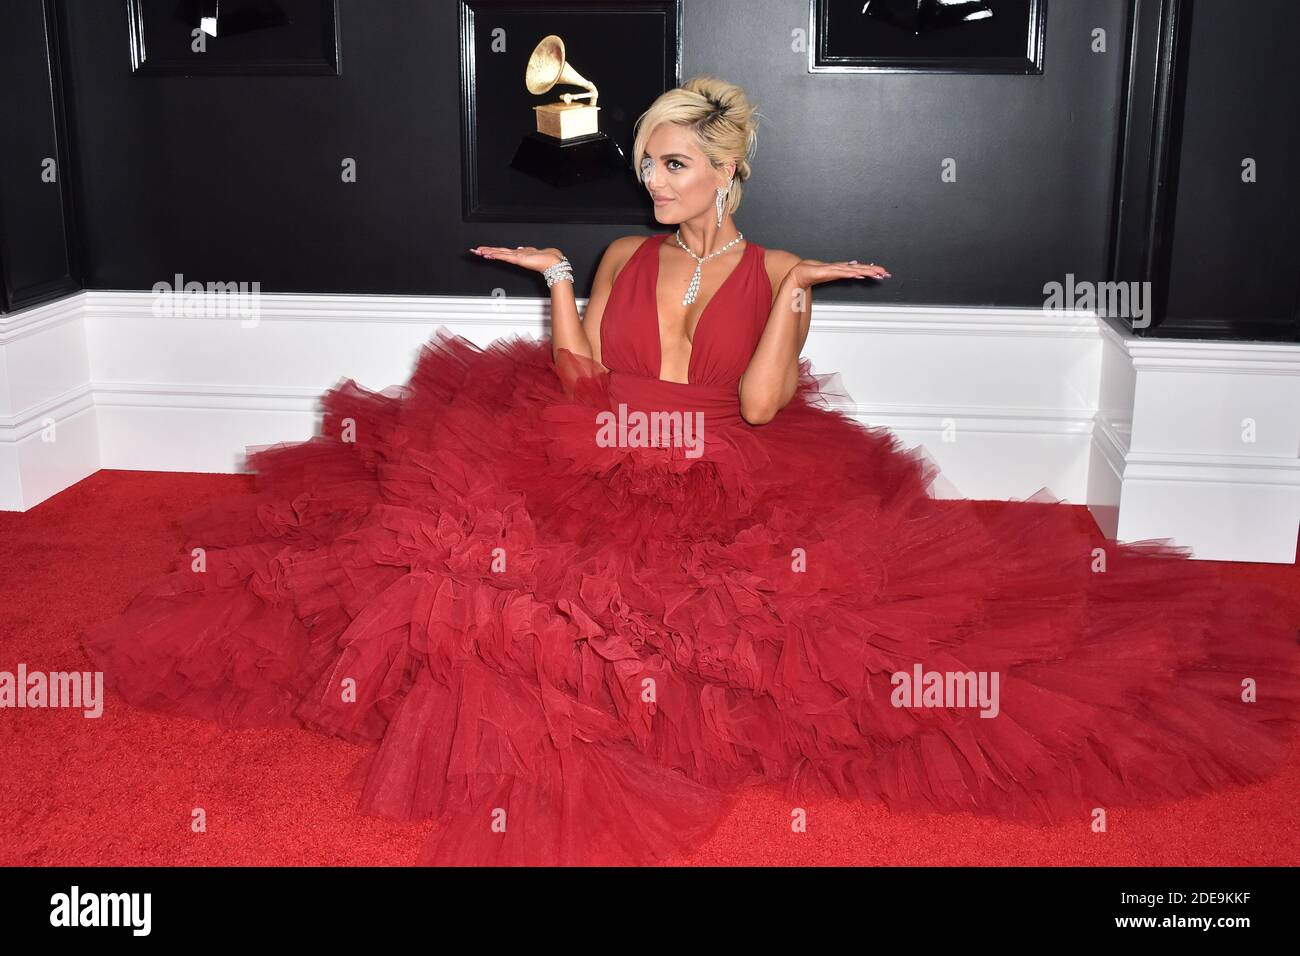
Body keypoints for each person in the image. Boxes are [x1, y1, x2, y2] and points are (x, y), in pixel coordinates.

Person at [82, 75, 1300, 866]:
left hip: (726, 464)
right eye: (647, 164)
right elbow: (570, 381)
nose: (652, 184)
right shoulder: (619, 249)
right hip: (585, 442)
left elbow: (765, 407)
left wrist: (797, 296)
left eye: (674, 165)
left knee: (780, 625)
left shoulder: (776, 271)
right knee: (465, 578)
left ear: (729, 170)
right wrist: (561, 289)